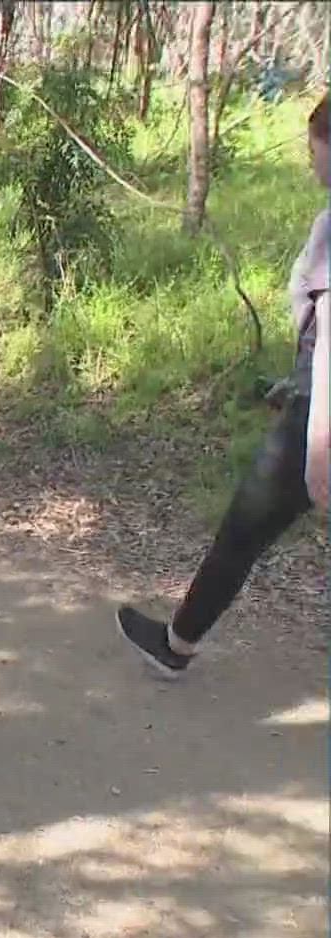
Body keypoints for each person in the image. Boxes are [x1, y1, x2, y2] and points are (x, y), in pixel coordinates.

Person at [117, 94, 331, 678]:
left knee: (243, 528)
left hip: (319, 419)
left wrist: (316, 442)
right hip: (311, 396)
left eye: (312, 143)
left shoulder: (330, 227)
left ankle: (176, 645)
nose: (307, 157)